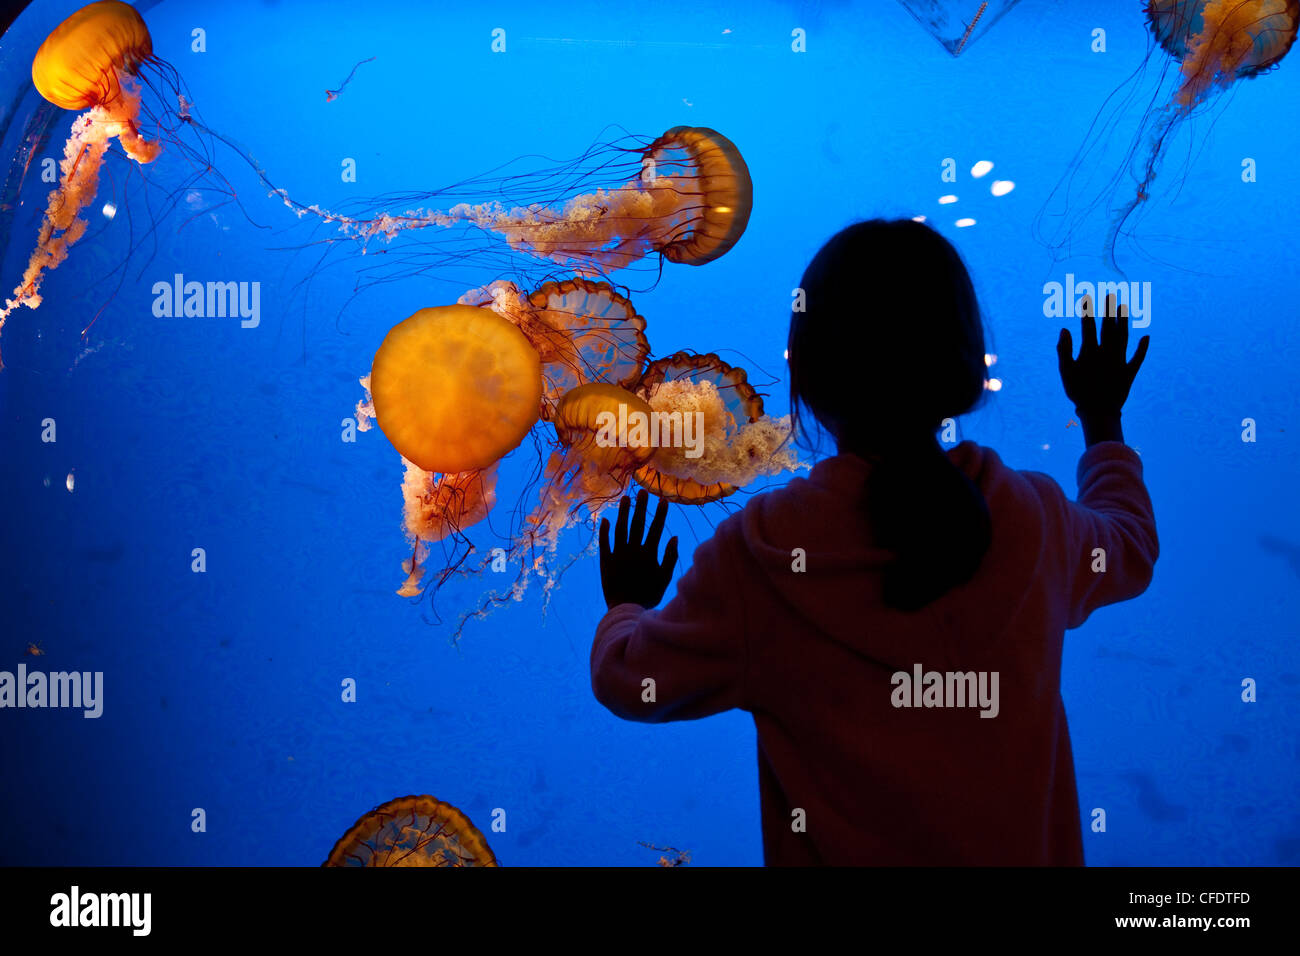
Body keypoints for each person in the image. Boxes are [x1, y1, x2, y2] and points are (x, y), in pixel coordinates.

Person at [592, 219, 1157, 865]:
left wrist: (626, 606)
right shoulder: (1033, 520)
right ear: (965, 369)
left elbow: (628, 681)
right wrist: (1102, 419)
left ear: (805, 376)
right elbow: (1132, 544)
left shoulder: (763, 558)